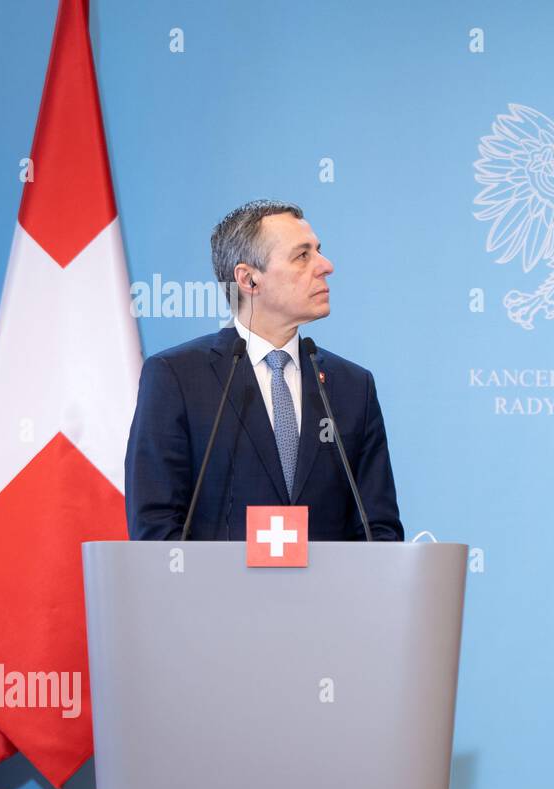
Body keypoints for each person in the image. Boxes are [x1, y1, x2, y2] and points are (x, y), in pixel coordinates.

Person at [125, 200, 403, 541]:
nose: (326, 266)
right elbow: (156, 527)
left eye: (319, 251)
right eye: (303, 256)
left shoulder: (353, 387)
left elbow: (378, 530)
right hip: (215, 594)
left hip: (327, 595)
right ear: (249, 279)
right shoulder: (176, 377)